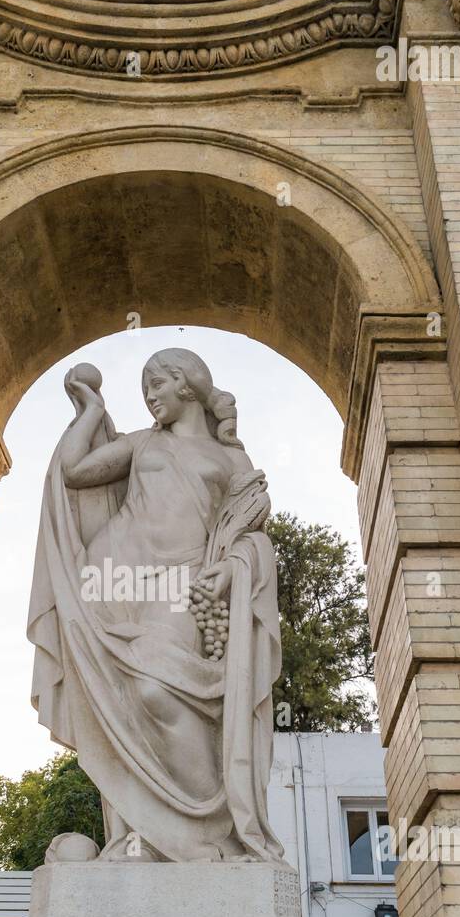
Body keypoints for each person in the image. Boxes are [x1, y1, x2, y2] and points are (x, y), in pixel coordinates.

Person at [28, 348, 283, 862]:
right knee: (116, 708)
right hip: (113, 583)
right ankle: (137, 838)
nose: (148, 395)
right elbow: (75, 471)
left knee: (155, 690)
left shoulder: (231, 457)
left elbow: (250, 533)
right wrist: (92, 410)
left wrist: (234, 568)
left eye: (157, 384)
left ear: (187, 385)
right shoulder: (141, 443)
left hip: (184, 582)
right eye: (144, 387)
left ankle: (211, 830)